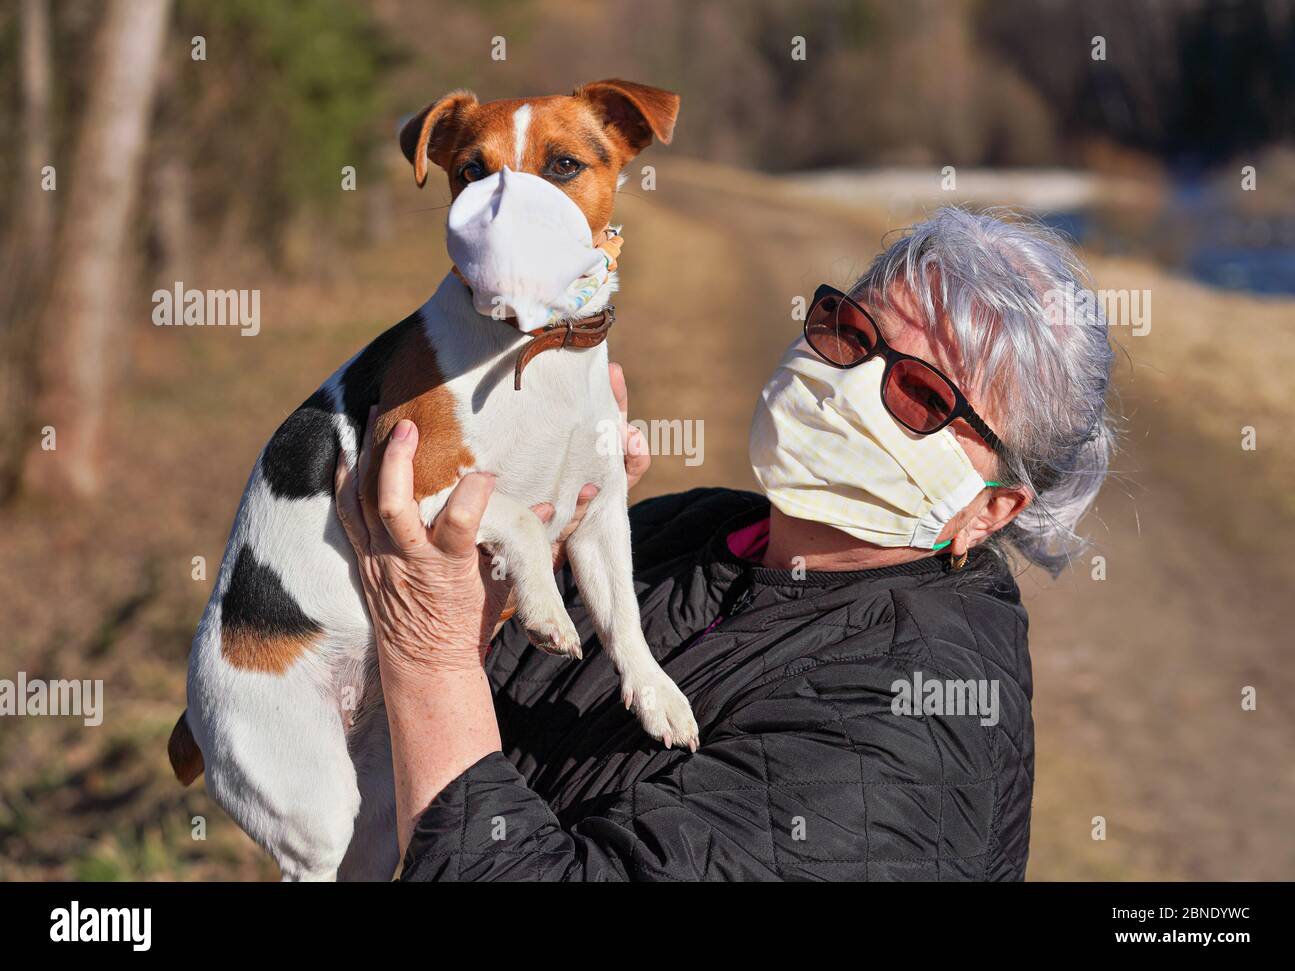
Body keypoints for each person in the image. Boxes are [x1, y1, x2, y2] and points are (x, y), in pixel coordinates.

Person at [333, 208, 1114, 880]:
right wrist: (498, 570)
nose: (850, 382)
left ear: (994, 509)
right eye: (849, 331)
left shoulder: (917, 734)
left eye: (922, 394)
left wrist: (429, 649)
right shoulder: (701, 530)